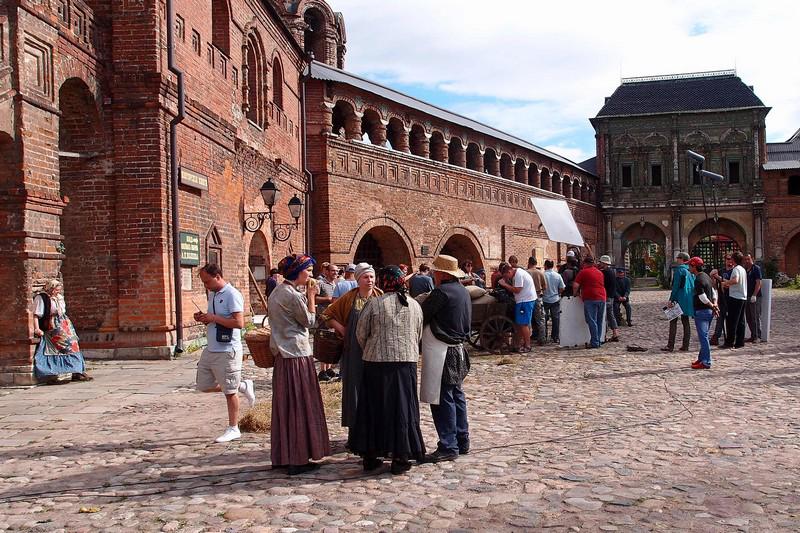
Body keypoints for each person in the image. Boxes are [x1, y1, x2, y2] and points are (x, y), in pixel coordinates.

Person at [352, 266, 425, 475]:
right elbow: (418, 333)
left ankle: (372, 454)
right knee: (402, 408)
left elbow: (361, 333)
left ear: (384, 282)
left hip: (376, 364)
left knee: (374, 408)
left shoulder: (374, 304)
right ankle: (401, 456)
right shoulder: (414, 305)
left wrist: (373, 347)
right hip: (405, 363)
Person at [268, 254, 330, 474]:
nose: (311, 275)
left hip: (283, 355)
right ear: (297, 271)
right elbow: (309, 321)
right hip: (295, 355)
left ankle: (285, 455)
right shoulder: (292, 295)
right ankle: (298, 457)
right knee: (299, 404)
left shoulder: (278, 290)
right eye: (309, 271)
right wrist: (312, 296)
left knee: (286, 405)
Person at [321, 263, 382, 447]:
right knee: (354, 391)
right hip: (354, 352)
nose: (369, 280)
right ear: (358, 279)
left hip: (375, 352)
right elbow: (326, 314)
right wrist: (342, 328)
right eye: (365, 277)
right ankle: (355, 435)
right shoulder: (349, 297)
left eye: (371, 277)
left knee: (373, 392)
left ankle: (373, 432)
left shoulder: (380, 296)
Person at [194, 264, 255, 443]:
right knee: (203, 385)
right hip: (211, 347)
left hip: (227, 350)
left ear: (218, 276)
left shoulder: (232, 294)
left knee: (229, 391)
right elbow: (217, 319)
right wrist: (205, 318)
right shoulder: (213, 294)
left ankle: (233, 428)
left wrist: (213, 318)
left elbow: (239, 323)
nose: (206, 285)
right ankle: (243, 386)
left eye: (207, 281)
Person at [420, 255, 471, 463]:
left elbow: (423, 314)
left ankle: (448, 445)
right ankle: (462, 439)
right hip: (458, 348)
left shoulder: (441, 293)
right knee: (457, 395)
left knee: (443, 398)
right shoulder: (463, 291)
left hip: (443, 350)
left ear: (441, 274)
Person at [32, 279, 92, 383]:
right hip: (52, 326)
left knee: (73, 344)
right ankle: (51, 373)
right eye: (56, 290)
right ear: (50, 288)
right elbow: (36, 314)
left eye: (59, 290)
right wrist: (37, 328)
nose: (58, 292)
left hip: (64, 325)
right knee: (62, 347)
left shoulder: (59, 298)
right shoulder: (42, 298)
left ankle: (77, 371)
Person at [498, 262, 536, 353]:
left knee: (523, 324)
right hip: (523, 300)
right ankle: (517, 345)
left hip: (525, 300)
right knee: (519, 324)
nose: (508, 278)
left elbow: (517, 290)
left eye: (507, 276)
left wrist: (505, 284)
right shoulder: (518, 273)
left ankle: (527, 345)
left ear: (510, 271)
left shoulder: (518, 275)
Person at [688, 257, 718, 370]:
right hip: (709, 311)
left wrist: (711, 305)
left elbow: (702, 297)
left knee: (703, 337)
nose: (689, 268)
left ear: (694, 266)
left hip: (702, 310)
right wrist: (715, 305)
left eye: (690, 266)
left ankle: (706, 361)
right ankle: (701, 358)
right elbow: (714, 292)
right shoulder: (707, 277)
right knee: (703, 336)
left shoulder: (698, 280)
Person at [662, 252, 695, 352]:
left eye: (678, 258)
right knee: (686, 322)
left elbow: (676, 287)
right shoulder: (690, 271)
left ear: (681, 259)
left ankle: (670, 345)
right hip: (688, 299)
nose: (677, 260)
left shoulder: (679, 270)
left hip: (678, 299)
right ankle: (686, 345)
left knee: (673, 321)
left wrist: (671, 299)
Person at [573, 256, 606, 349]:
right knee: (599, 321)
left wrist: (575, 293)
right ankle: (598, 340)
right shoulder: (599, 272)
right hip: (602, 297)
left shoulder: (583, 272)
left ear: (585, 263)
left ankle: (595, 342)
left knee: (591, 320)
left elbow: (575, 285)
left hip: (590, 297)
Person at [716, 251, 747, 349]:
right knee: (741, 320)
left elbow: (735, 280)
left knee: (732, 321)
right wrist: (723, 281)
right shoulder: (742, 269)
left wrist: (725, 284)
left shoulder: (736, 269)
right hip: (742, 296)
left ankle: (729, 342)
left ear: (733, 260)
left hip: (735, 297)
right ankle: (739, 341)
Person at [315, 262, 340, 382]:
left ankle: (329, 368)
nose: (335, 273)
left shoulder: (336, 284)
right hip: (323, 317)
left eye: (337, 271)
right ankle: (322, 370)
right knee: (323, 343)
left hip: (333, 318)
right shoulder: (321, 283)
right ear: (327, 272)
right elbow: (313, 297)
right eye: (333, 271)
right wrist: (328, 299)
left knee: (331, 343)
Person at [710, 255, 733, 345]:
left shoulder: (735, 271)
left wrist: (718, 277)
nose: (729, 261)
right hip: (722, 298)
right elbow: (714, 285)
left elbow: (729, 283)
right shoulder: (721, 271)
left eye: (731, 259)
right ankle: (716, 336)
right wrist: (712, 277)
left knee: (730, 319)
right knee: (720, 318)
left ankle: (730, 336)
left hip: (731, 298)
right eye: (727, 259)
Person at [542, 259, 565, 343]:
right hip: (555, 299)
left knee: (544, 318)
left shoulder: (543, 274)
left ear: (545, 266)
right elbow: (562, 287)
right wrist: (558, 293)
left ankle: (544, 335)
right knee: (556, 319)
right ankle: (555, 336)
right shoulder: (557, 275)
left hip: (544, 298)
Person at [598, 255, 620, 343]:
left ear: (604, 263)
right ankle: (615, 333)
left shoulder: (605, 272)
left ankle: (603, 335)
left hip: (606, 296)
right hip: (610, 296)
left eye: (601, 263)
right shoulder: (611, 271)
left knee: (604, 316)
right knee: (610, 315)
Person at [526, 257, 548, 345]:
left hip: (528, 297)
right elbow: (545, 287)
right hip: (538, 296)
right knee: (541, 319)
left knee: (528, 319)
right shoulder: (540, 273)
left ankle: (527, 338)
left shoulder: (526, 273)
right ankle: (542, 338)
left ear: (529, 263)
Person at [743, 253, 763, 342]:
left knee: (755, 316)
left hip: (755, 296)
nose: (747, 261)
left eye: (748, 259)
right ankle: (752, 334)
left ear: (752, 259)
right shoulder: (745, 270)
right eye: (745, 259)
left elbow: (758, 283)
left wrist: (754, 295)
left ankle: (757, 336)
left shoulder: (756, 269)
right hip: (746, 296)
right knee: (749, 317)